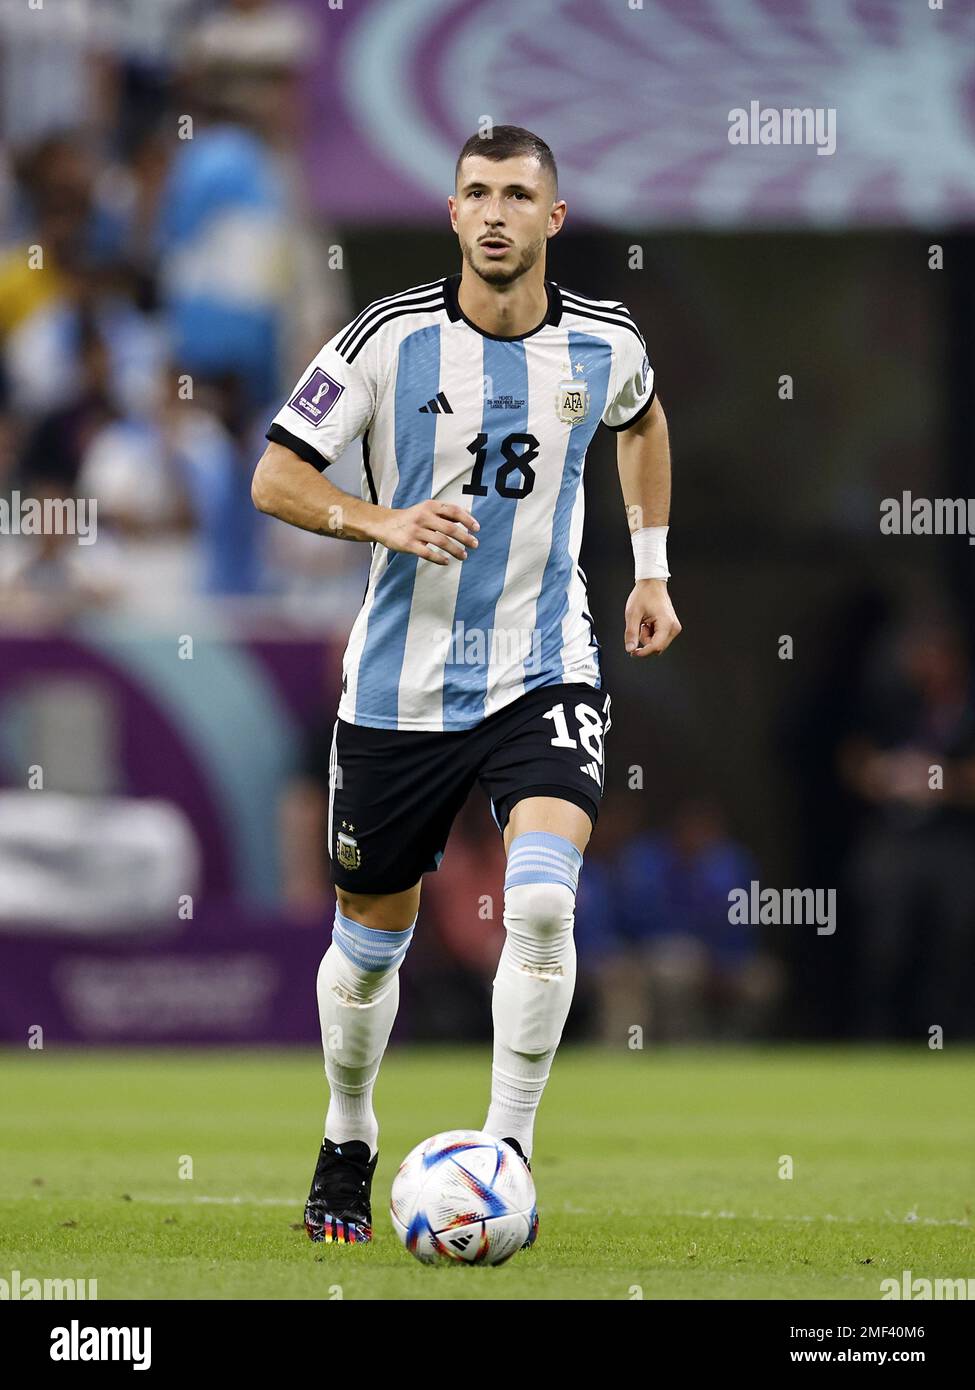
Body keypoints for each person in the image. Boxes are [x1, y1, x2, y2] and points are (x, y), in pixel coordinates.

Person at [251, 126, 681, 1247]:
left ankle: (509, 1152)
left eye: (516, 194)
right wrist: (380, 518)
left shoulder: (604, 341)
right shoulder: (387, 339)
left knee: (540, 903)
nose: (495, 212)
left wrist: (652, 570)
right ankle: (350, 1133)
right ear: (452, 215)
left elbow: (642, 420)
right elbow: (275, 474)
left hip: (545, 664)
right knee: (367, 948)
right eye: (475, 193)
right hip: (399, 688)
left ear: (554, 218)